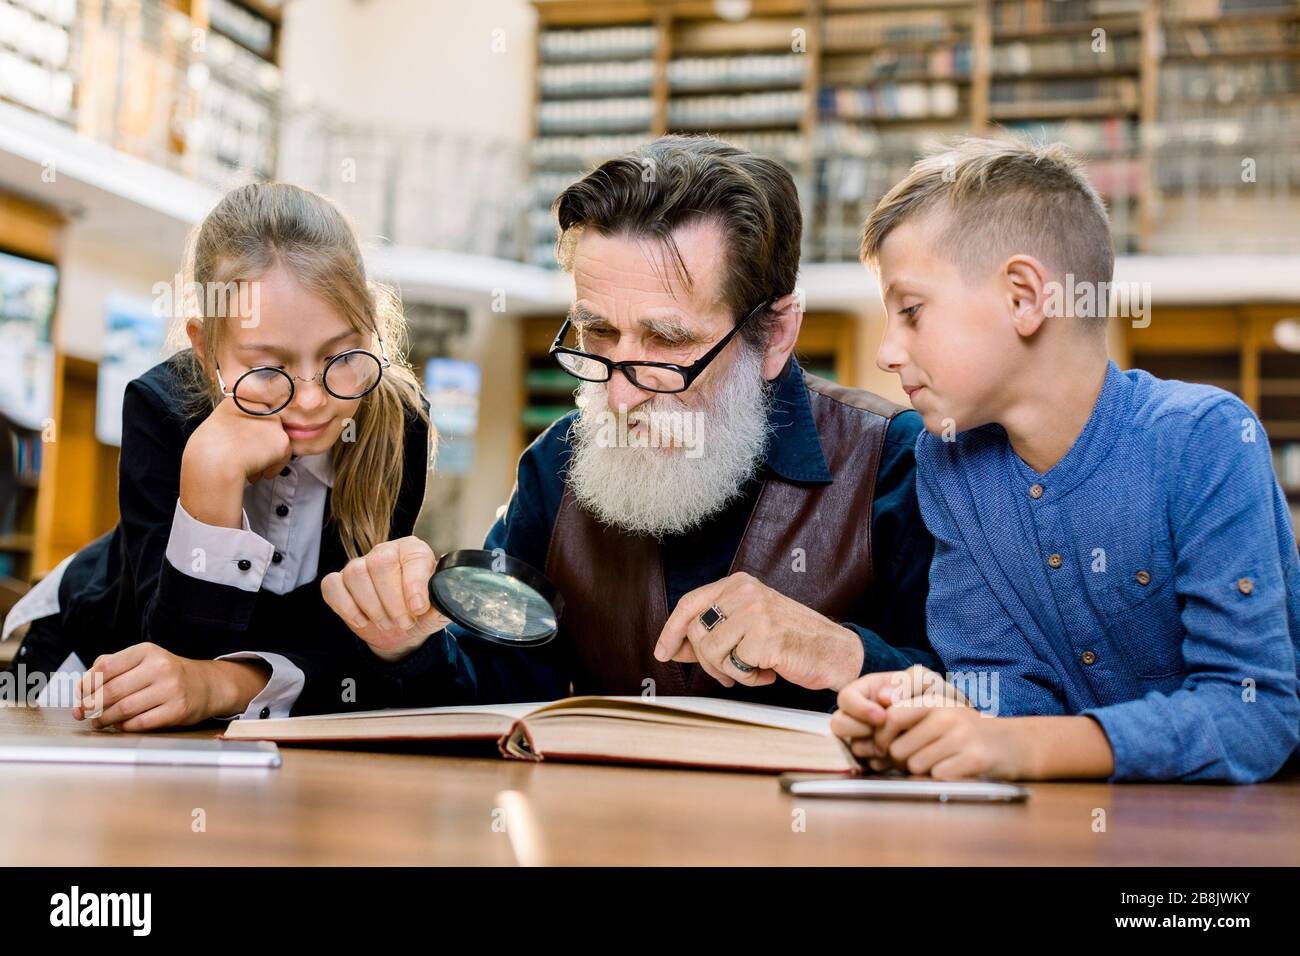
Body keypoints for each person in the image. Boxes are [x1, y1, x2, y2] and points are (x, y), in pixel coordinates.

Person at [324, 135, 939, 712]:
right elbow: (498, 687)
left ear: (775, 334)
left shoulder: (895, 461)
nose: (618, 398)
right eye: (597, 332)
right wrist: (405, 644)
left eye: (666, 342)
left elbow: (994, 701)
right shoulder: (553, 466)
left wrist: (845, 655)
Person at [833, 136, 1300, 782]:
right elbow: (1006, 687)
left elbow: (1255, 712)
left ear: (1024, 297)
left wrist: (1025, 749)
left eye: (911, 312)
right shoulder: (948, 469)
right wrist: (928, 714)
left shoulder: (1206, 443)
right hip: (1058, 831)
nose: (887, 351)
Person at [1, 182, 445, 729]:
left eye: (341, 354)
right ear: (205, 346)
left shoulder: (399, 425)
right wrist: (209, 477)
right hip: (88, 665)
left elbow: (351, 650)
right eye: (267, 366)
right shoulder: (161, 408)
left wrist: (223, 686)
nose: (310, 399)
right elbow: (170, 653)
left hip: (261, 712)